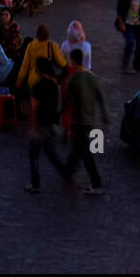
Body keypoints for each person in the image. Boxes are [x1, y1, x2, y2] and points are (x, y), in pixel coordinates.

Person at [61, 49, 107, 194]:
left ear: (73, 61)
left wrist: (59, 114)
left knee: (85, 154)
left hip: (78, 120)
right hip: (90, 120)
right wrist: (105, 118)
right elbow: (101, 98)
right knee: (78, 149)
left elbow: (66, 101)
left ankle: (96, 183)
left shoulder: (73, 79)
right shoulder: (93, 77)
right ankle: (67, 172)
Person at [25, 57, 68, 194]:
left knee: (34, 156)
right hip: (50, 125)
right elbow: (58, 105)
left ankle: (35, 184)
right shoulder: (54, 84)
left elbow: (34, 109)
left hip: (41, 125)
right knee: (52, 154)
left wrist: (33, 127)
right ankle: (66, 175)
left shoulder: (37, 86)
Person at [17, 24, 66, 94]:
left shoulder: (31, 46)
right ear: (48, 35)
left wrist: (19, 80)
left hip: (33, 79)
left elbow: (25, 65)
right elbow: (62, 62)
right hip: (49, 79)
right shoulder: (52, 45)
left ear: (37, 35)